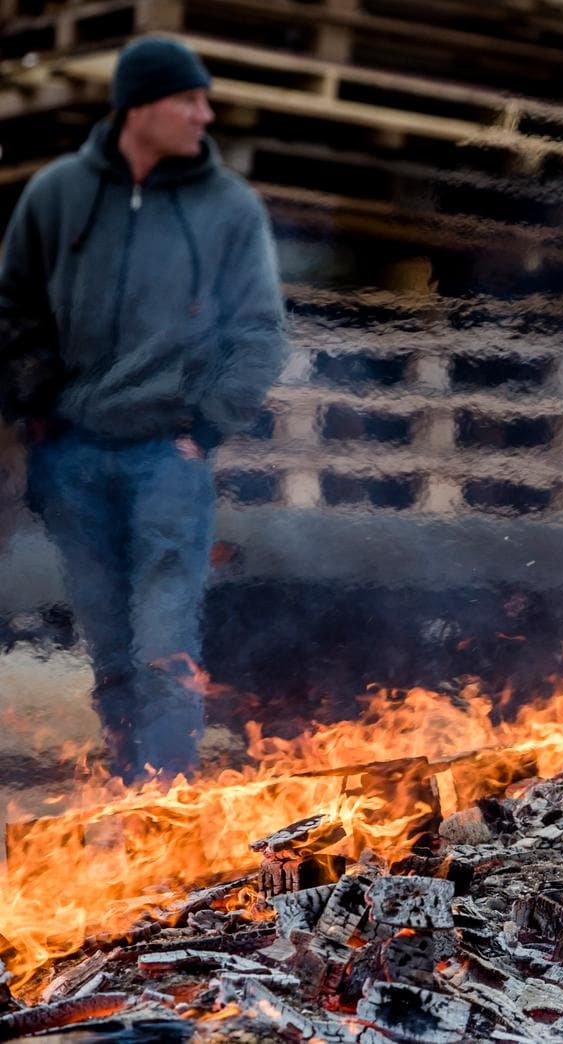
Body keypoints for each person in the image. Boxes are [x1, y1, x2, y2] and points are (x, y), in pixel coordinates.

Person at [0, 36, 288, 783]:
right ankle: (133, 801)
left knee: (163, 648)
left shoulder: (227, 207)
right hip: (73, 457)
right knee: (110, 652)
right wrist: (36, 409)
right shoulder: (59, 194)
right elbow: (14, 308)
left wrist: (206, 427)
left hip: (168, 459)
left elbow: (260, 331)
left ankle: (168, 800)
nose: (206, 113)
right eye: (188, 100)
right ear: (140, 107)